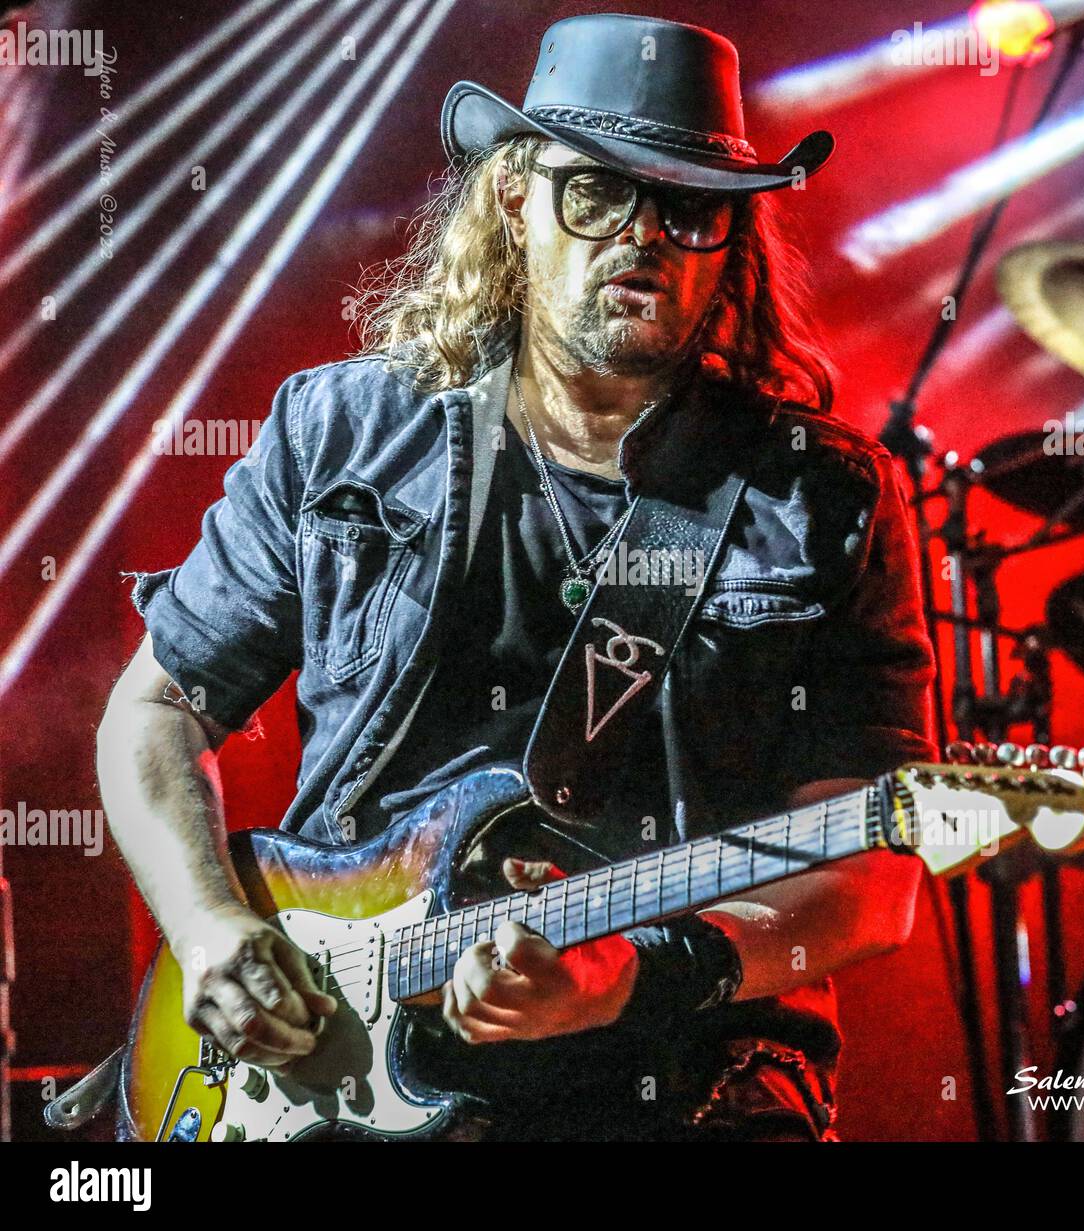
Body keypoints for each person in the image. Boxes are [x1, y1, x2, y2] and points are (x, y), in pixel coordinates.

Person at [98, 13, 936, 1141]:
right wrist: (209, 930)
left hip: (681, 1065)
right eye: (596, 193)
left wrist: (629, 978)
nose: (641, 236)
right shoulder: (344, 431)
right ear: (512, 199)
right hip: (328, 1059)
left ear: (728, 240)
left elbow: (870, 880)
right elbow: (154, 708)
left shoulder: (819, 494)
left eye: (686, 207)